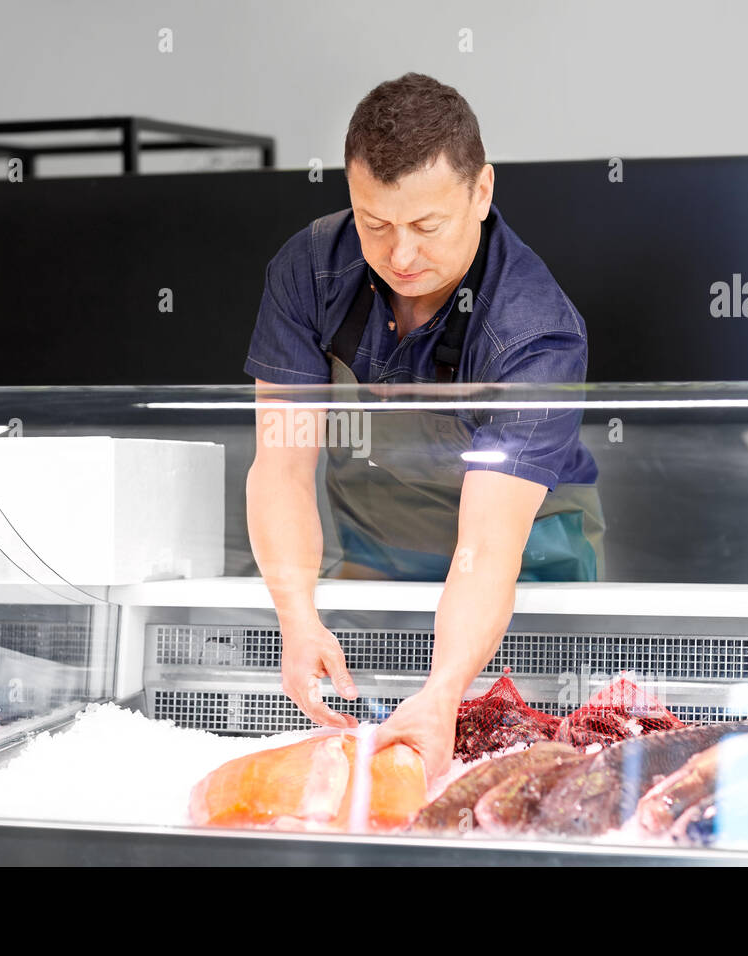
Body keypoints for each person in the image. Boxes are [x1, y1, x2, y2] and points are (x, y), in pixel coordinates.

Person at [243, 73, 604, 782]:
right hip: (372, 557)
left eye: (426, 228)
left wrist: (444, 693)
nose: (400, 256)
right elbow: (280, 465)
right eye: (374, 225)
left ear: (482, 192)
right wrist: (295, 614)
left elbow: (488, 546)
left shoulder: (534, 332)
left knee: (517, 760)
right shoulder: (309, 271)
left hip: (526, 575)